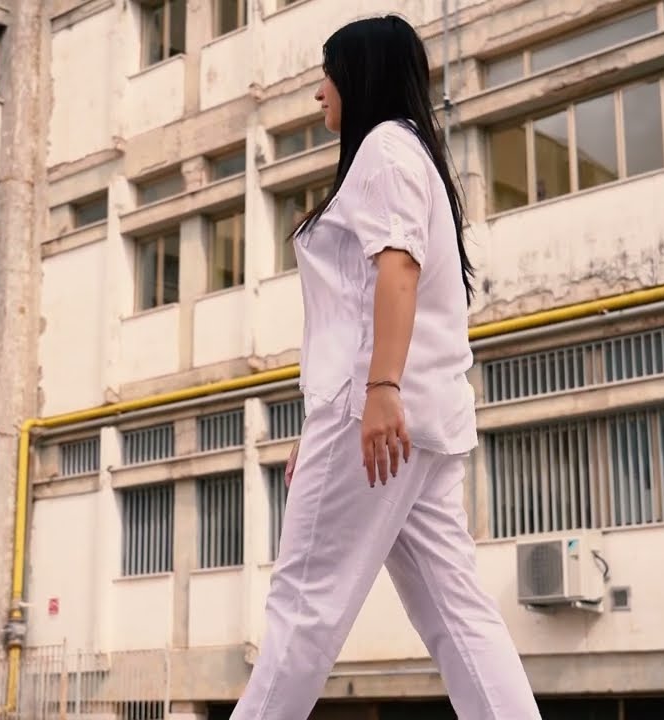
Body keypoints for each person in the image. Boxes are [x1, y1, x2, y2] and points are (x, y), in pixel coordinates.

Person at [229, 14, 543, 720]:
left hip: (376, 412)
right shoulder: (413, 154)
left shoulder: (383, 150)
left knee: (303, 606)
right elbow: (367, 300)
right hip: (420, 419)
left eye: (328, 74)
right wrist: (342, 411)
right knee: (457, 612)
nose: (320, 92)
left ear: (360, 75)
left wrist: (376, 391)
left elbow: (396, 270)